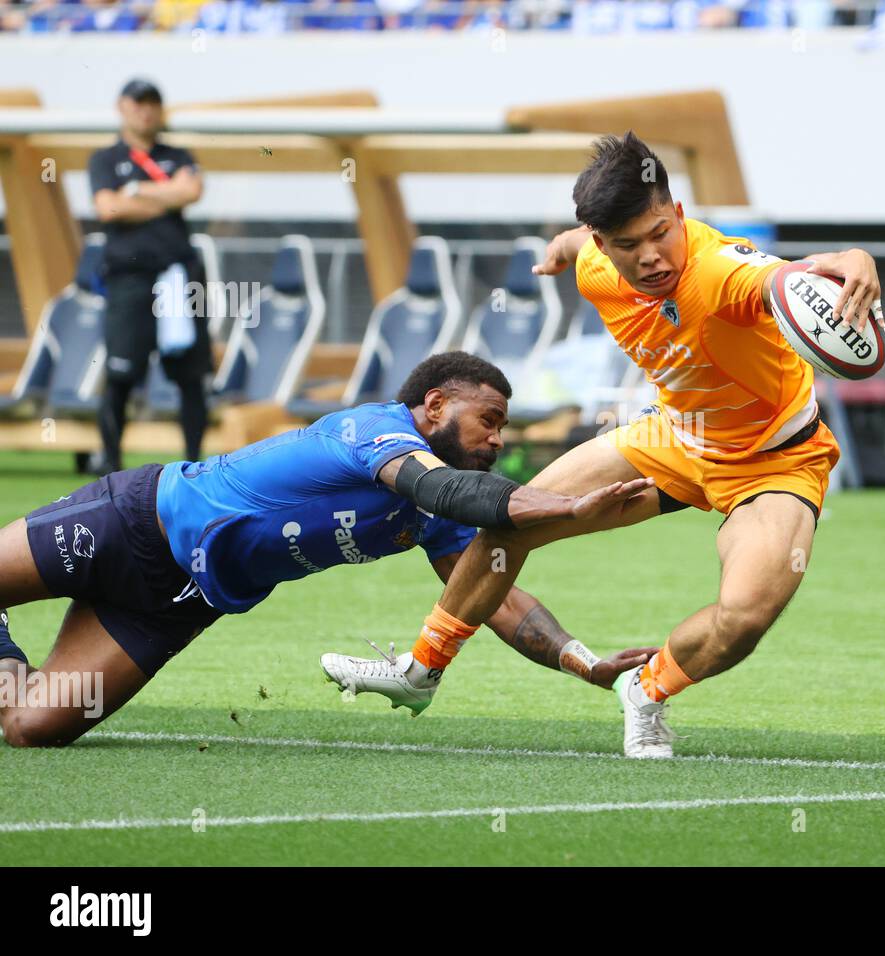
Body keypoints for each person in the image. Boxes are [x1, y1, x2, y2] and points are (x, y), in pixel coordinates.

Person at [324, 132, 883, 758]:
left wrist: (853, 257)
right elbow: (569, 242)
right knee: (512, 515)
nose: (650, 256)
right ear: (600, 243)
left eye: (659, 233)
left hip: (776, 456)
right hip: (675, 436)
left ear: (676, 214)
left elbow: (786, 276)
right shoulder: (591, 263)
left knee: (746, 614)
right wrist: (559, 252)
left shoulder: (722, 273)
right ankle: (420, 670)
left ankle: (648, 688)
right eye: (627, 245)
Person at [0, 352, 654, 748]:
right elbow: (440, 486)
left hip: (179, 602)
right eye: (489, 421)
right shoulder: (374, 428)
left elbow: (494, 597)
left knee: (32, 728)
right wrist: (568, 507)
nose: (495, 440)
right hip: (137, 522)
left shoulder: (438, 516)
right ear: (433, 406)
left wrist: (580, 660)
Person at [88, 78, 210, 474]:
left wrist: (135, 194)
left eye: (153, 102)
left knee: (191, 376)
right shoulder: (106, 158)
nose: (146, 110)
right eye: (138, 102)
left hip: (179, 275)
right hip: (129, 278)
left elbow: (191, 192)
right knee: (120, 373)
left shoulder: (179, 154)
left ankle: (194, 465)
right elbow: (108, 209)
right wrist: (163, 193)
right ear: (122, 106)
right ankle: (111, 464)